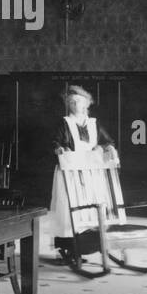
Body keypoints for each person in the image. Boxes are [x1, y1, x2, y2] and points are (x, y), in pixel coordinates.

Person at [43, 85, 118, 245]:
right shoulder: (65, 123)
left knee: (91, 206)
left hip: (91, 171)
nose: (75, 105)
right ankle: (67, 245)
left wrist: (102, 147)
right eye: (71, 102)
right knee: (69, 207)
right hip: (70, 171)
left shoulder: (93, 123)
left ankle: (90, 243)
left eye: (78, 102)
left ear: (86, 104)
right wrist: (60, 148)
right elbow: (55, 142)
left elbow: (108, 141)